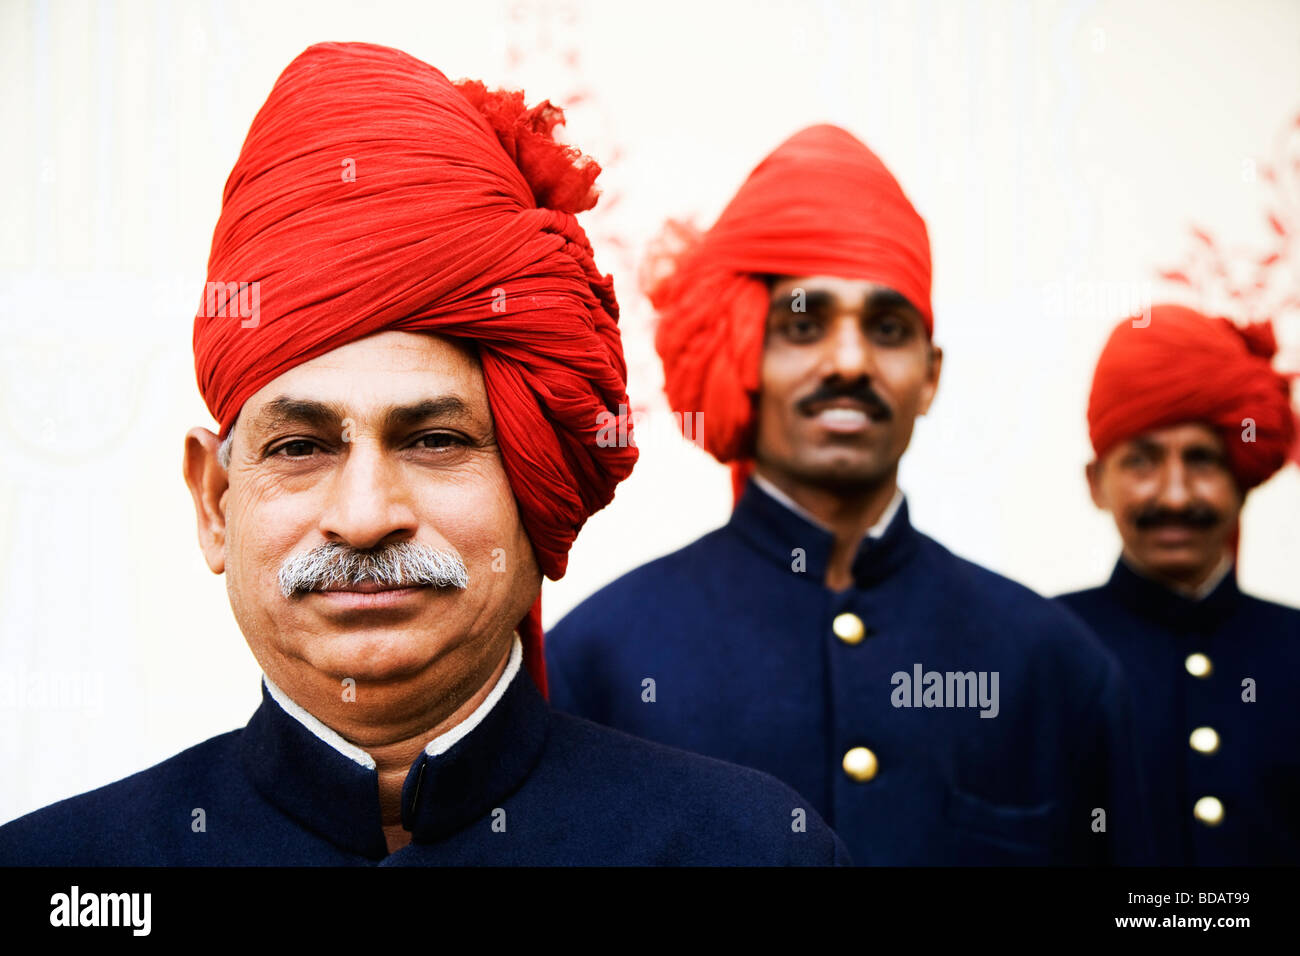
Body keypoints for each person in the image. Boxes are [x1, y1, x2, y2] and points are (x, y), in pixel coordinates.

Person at [0, 42, 848, 867]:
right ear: (214, 502)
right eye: (299, 447)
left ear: (539, 482)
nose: (366, 517)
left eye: (436, 440)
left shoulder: (744, 850)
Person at [546, 125, 1150, 864]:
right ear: (743, 354)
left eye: (887, 329)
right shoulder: (596, 664)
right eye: (804, 324)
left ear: (929, 377)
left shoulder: (1052, 667)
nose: (850, 361)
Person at [1057, 303, 1300, 865]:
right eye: (1141, 462)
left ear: (1242, 479)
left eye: (1202, 461)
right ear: (1096, 483)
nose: (1174, 495)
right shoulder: (1044, 649)